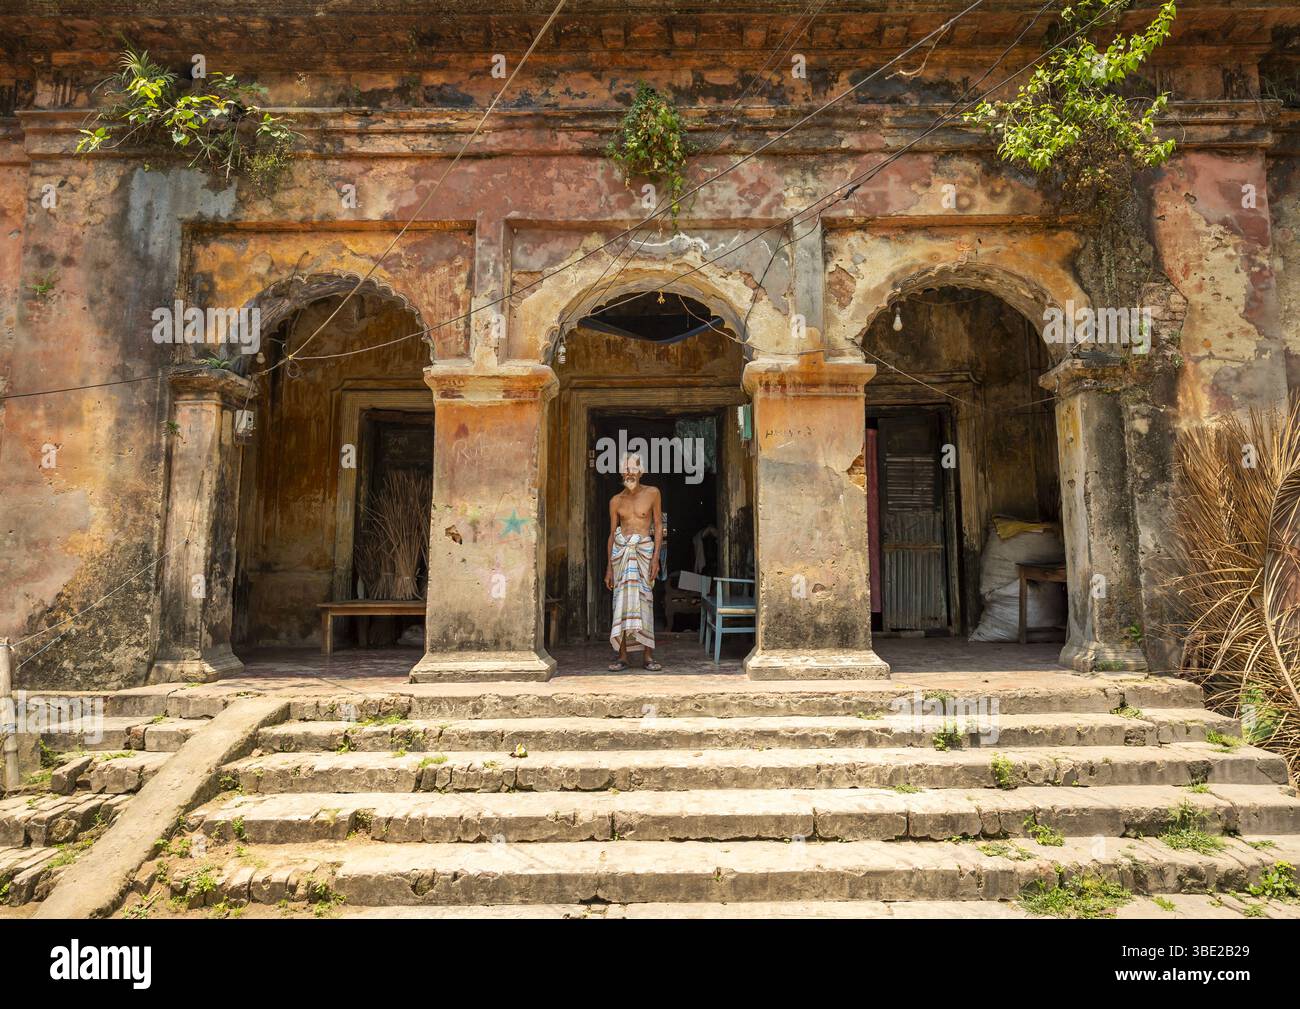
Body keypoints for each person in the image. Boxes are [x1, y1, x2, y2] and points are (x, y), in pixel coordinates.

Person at [604, 453, 663, 670]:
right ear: (621, 473)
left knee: (645, 602)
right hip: (621, 556)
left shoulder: (653, 493)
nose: (629, 472)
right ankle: (623, 657)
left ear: (641, 471)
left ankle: (648, 656)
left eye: (633, 468)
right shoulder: (615, 501)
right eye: (625, 468)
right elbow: (612, 534)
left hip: (643, 555)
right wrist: (609, 567)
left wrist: (656, 558)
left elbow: (658, 526)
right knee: (620, 603)